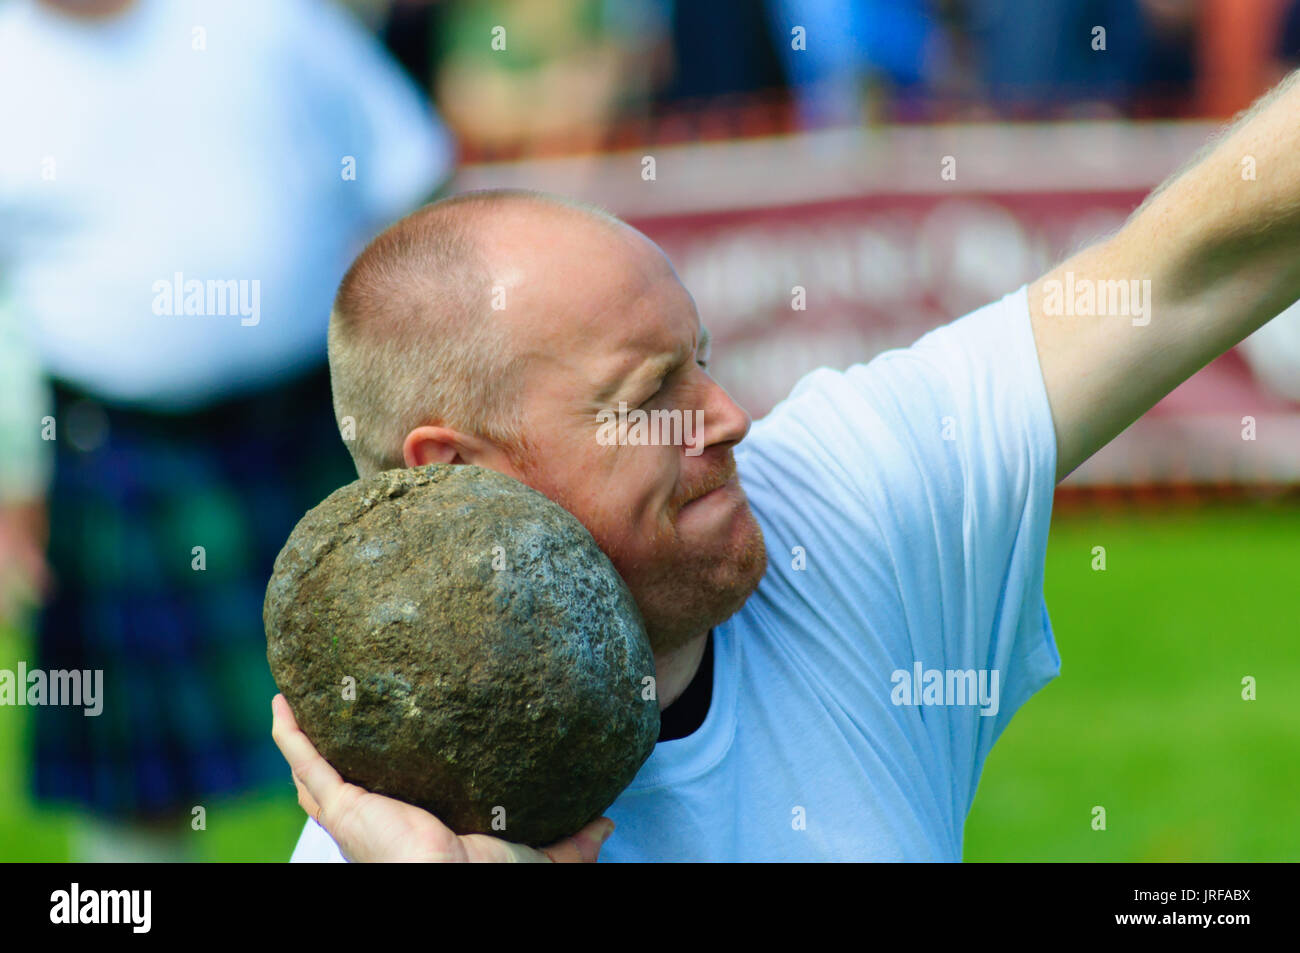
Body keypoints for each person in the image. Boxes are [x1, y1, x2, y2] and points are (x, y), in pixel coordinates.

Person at [277, 67, 1300, 861]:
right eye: (650, 397)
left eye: (705, 363)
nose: (727, 418)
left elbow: (1189, 274)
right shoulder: (386, 840)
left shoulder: (837, 504)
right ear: (458, 473)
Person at [0, 0, 452, 861]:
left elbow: (411, 174)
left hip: (317, 426)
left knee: (405, 709)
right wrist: (12, 482)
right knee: (135, 774)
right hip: (114, 457)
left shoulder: (269, 18)